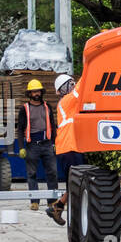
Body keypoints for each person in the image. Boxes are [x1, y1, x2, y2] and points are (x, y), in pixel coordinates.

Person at [15, 79, 59, 212]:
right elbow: (20, 129)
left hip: (47, 144)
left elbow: (52, 125)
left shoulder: (47, 107)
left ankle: (52, 201)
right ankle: (34, 201)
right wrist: (21, 147)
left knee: (52, 173)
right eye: (34, 91)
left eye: (38, 91)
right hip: (32, 145)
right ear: (29, 93)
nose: (36, 93)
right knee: (32, 174)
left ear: (41, 92)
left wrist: (55, 143)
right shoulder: (25, 109)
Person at [46, 74, 81, 226]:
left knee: (75, 184)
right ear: (64, 88)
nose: (73, 85)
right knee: (77, 183)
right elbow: (83, 86)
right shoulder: (67, 101)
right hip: (69, 148)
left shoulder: (69, 103)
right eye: (70, 84)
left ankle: (57, 206)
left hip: (70, 148)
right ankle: (58, 206)